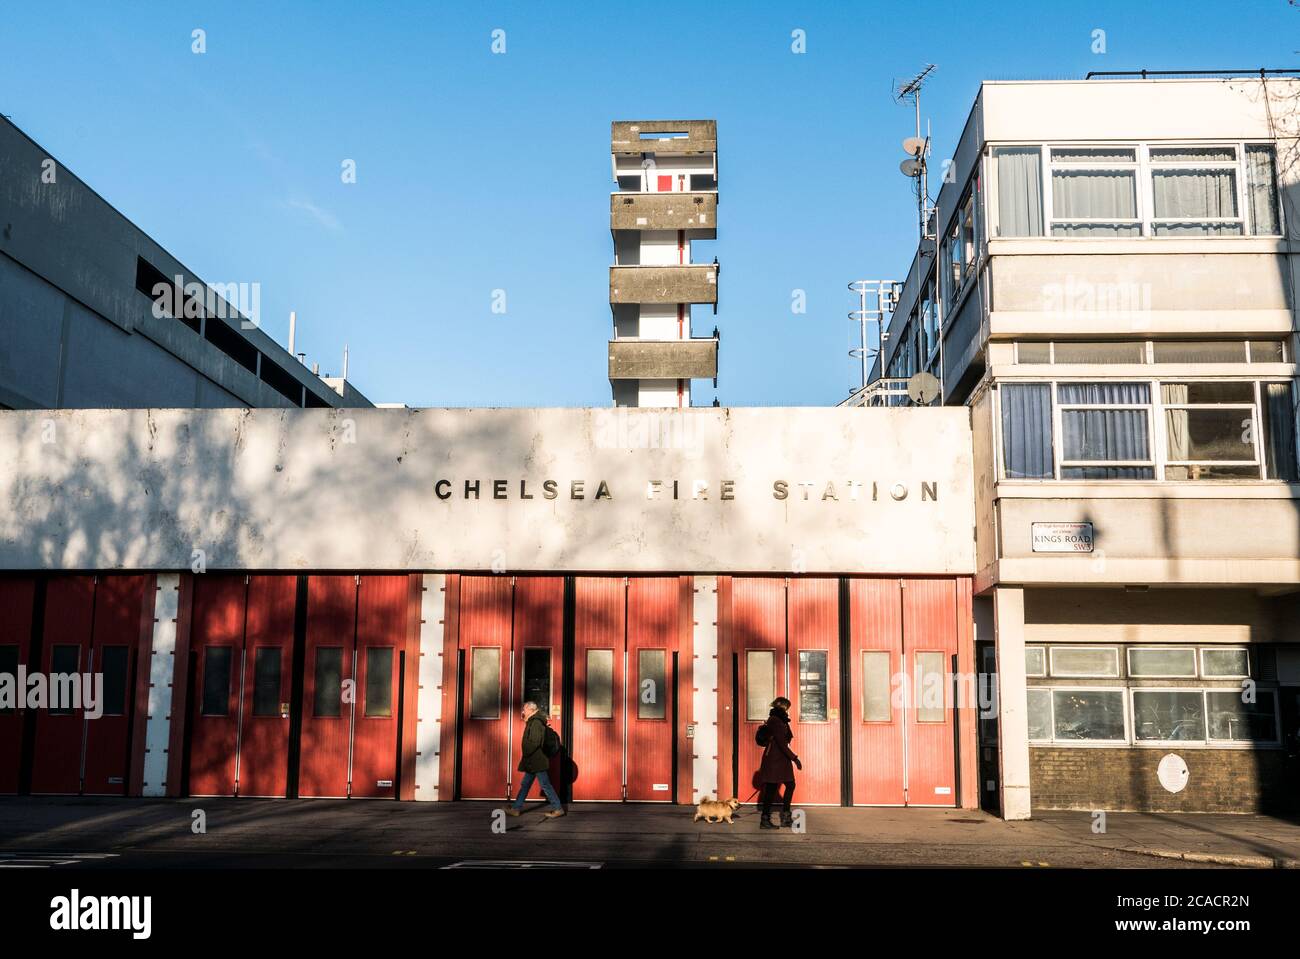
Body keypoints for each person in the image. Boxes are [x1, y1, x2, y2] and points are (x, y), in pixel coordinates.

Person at [506, 701, 565, 819]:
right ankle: (516, 808)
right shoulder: (532, 721)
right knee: (526, 784)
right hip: (533, 760)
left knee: (545, 784)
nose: (523, 712)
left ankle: (558, 808)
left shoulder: (536, 722)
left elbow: (535, 742)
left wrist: (526, 751)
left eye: (524, 710)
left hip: (537, 760)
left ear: (531, 710)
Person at [756, 696, 800, 829]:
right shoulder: (775, 720)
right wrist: (795, 758)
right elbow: (781, 742)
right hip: (775, 760)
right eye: (787, 707)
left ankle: (784, 818)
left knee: (789, 785)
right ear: (782, 706)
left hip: (781, 759)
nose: (788, 710)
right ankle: (766, 819)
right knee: (772, 789)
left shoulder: (781, 719)